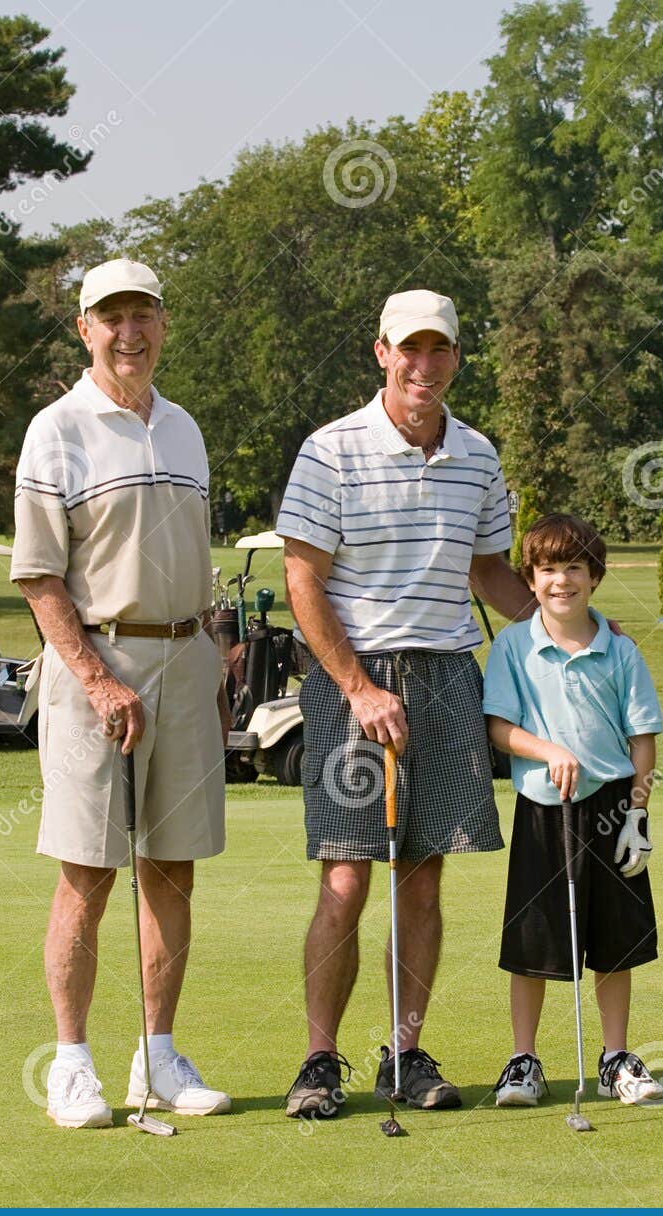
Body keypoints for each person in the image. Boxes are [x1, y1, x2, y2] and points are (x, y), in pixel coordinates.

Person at [276, 289, 535, 1119]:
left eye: (440, 350)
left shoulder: (478, 454)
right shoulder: (332, 450)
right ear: (382, 352)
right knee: (347, 880)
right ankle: (320, 1060)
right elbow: (301, 577)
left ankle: (406, 1051)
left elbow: (489, 570)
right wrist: (357, 687)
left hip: (449, 676)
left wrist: (567, 630)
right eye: (409, 349)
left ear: (456, 358)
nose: (424, 365)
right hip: (354, 679)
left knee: (423, 885)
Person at [11, 257, 231, 1129]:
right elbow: (39, 576)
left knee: (172, 874)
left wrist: (211, 664)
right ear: (84, 329)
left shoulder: (183, 428)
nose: (129, 332)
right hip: (95, 666)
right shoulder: (56, 428)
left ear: (162, 325)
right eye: (111, 318)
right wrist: (97, 678)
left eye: (143, 315)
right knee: (89, 876)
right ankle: (72, 1065)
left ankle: (158, 1055)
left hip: (185, 665)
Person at [481, 514, 663, 1107]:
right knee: (533, 941)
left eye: (574, 568)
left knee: (615, 938)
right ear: (530, 580)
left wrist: (638, 812)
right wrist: (548, 750)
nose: (562, 580)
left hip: (611, 805)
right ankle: (524, 1060)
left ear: (595, 576)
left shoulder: (620, 649)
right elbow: (500, 728)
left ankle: (615, 1057)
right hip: (542, 806)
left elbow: (642, 739)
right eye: (548, 569)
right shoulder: (512, 645)